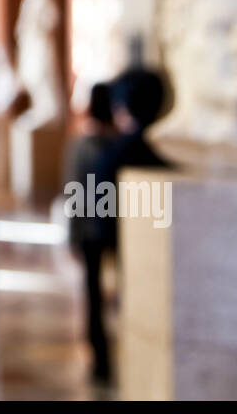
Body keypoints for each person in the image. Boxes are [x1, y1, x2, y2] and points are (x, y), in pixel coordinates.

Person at [74, 68, 168, 383]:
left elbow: (88, 202)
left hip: (108, 238)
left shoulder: (112, 153)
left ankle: (104, 361)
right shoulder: (163, 153)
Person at [62, 82, 118, 382]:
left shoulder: (81, 146)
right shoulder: (117, 144)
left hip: (91, 230)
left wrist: (73, 235)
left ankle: (102, 357)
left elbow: (72, 193)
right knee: (104, 296)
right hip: (112, 229)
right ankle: (104, 355)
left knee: (94, 296)